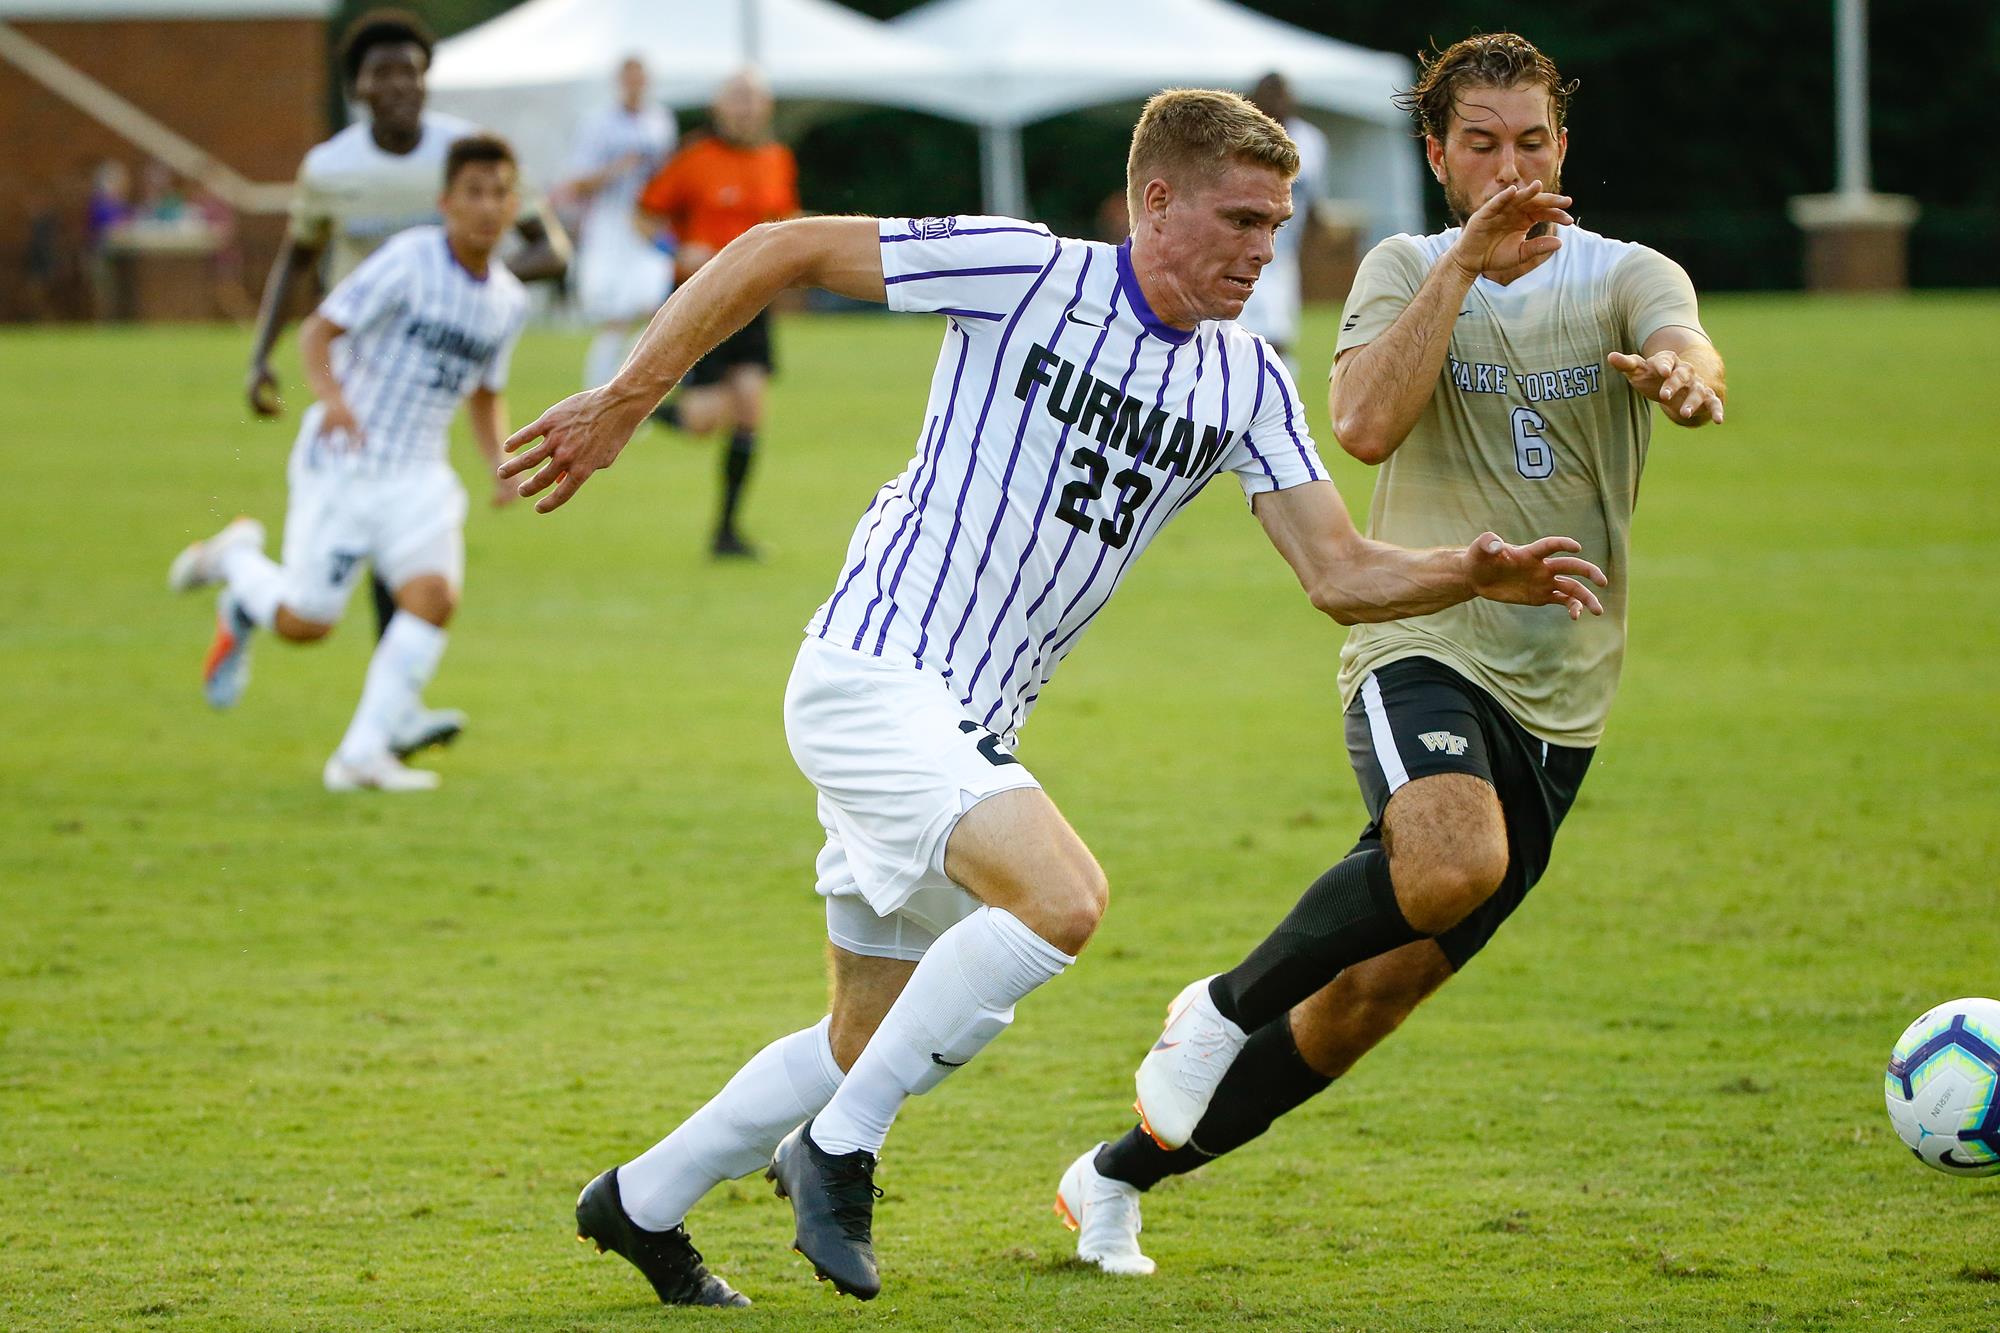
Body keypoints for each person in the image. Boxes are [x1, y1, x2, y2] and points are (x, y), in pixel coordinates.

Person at [500, 88, 1607, 1306]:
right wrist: (625, 397)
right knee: (1061, 898)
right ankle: (836, 1149)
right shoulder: (1024, 271)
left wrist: (1467, 569)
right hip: (873, 671)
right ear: (1155, 200)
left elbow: (1338, 573)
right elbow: (779, 247)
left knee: (867, 1037)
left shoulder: (1245, 380)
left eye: (1275, 226)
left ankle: (640, 1202)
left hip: (967, 723)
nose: (1259, 250)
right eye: (1238, 219)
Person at [1056, 32, 1727, 1278]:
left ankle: (1114, 1175)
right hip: (1416, 633)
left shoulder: (1624, 273)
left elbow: (1684, 339)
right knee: (1451, 856)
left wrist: (1683, 377)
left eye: (1531, 140)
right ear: (1436, 156)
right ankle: (1212, 1008)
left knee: (1367, 999)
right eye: (1480, 143)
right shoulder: (1405, 266)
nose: (1509, 164)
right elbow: (1361, 425)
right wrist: (1465, 268)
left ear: (1561, 148)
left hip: (1562, 695)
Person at [243, 7, 567, 754]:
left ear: (427, 79)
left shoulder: (469, 155)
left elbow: (550, 253)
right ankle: (241, 569)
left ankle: (384, 727)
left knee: (426, 582)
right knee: (310, 619)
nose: (394, 85)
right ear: (355, 86)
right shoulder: (332, 168)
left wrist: (469, 286)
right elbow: (300, 263)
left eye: (408, 70)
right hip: (359, 386)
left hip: (424, 403)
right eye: (378, 72)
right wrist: (265, 358)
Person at [169, 136, 530, 792]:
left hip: (420, 473)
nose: (487, 205)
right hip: (347, 463)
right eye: (473, 191)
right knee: (307, 622)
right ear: (446, 201)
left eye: (500, 192)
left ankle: (360, 755)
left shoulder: (508, 299)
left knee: (434, 597)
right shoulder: (408, 260)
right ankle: (235, 565)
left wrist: (498, 463)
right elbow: (319, 331)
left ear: (515, 205)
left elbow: (485, 392)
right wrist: (333, 401)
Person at [636, 69, 799, 559]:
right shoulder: (693, 160)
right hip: (701, 300)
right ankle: (637, 411)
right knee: (705, 420)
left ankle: (726, 533)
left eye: (753, 100)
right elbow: (644, 217)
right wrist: (677, 249)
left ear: (766, 108)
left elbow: (785, 219)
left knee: (750, 410)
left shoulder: (777, 159)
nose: (745, 108)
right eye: (737, 99)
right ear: (719, 107)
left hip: (756, 302)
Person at [559, 56, 677, 391]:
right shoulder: (598, 124)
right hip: (610, 229)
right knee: (615, 318)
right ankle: (596, 394)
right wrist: (617, 168)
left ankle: (633, 392)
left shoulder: (660, 121)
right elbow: (576, 182)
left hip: (647, 227)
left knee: (656, 309)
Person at [1236, 72, 1330, 370]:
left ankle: (1278, 402)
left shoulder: (1311, 141)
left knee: (1280, 339)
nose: (1278, 103)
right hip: (1243, 252)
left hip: (1284, 257)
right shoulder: (1241, 138)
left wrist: (1313, 254)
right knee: (1247, 337)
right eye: (1270, 95)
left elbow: (1315, 205)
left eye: (1283, 95)